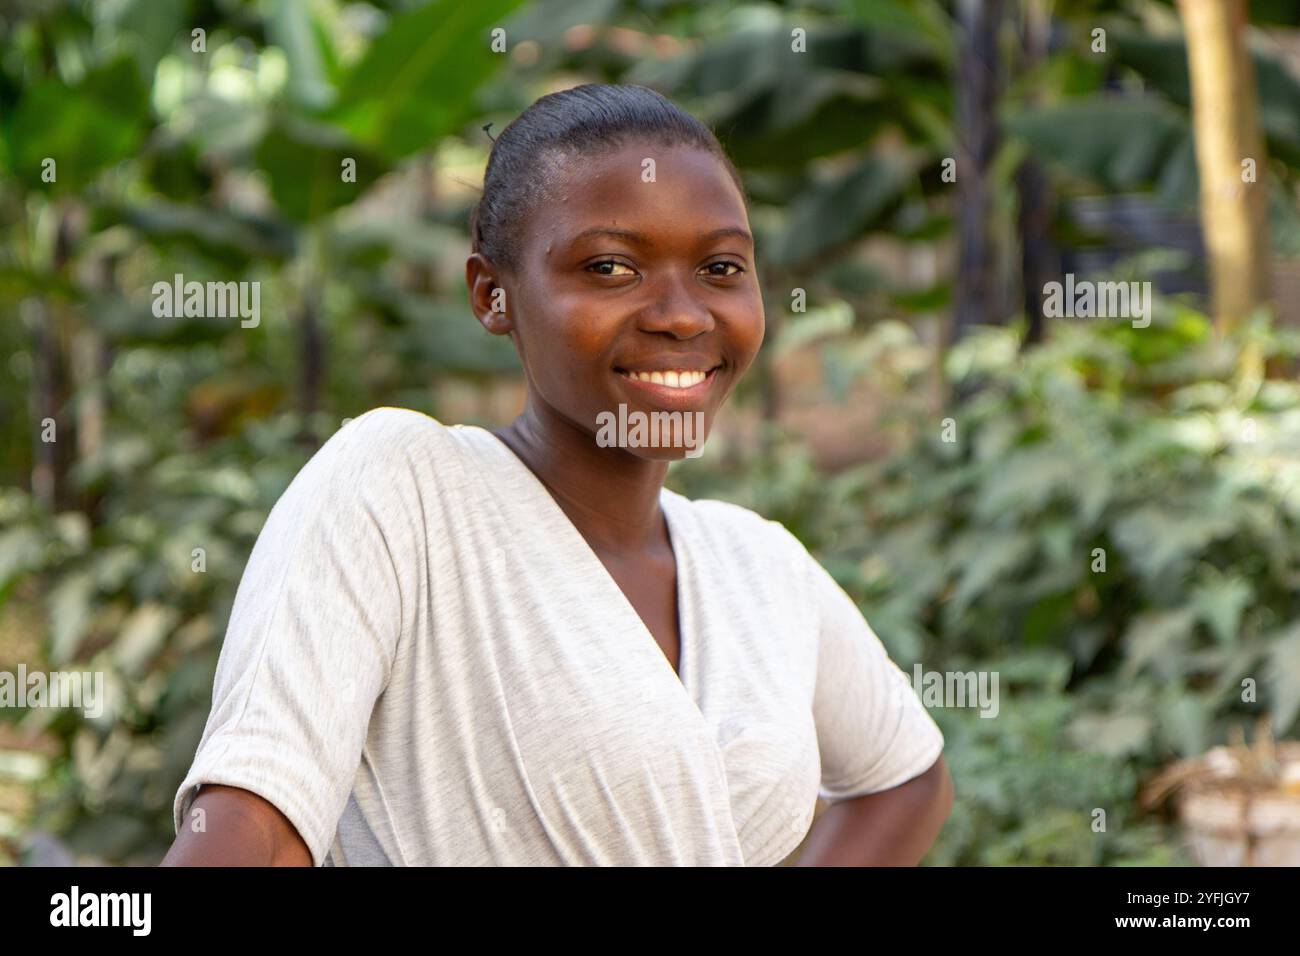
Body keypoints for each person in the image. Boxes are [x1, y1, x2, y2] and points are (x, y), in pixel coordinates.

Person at [162, 83, 952, 867]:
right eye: (610, 267)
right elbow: (254, 824)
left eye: (719, 266)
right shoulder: (405, 490)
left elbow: (906, 779)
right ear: (492, 295)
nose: (682, 315)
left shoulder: (757, 566)